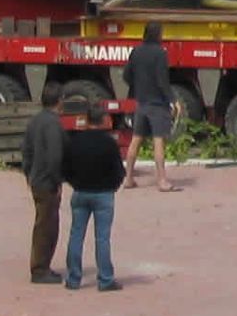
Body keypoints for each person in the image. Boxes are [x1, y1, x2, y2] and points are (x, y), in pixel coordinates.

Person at [62, 98, 127, 292]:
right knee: (102, 238)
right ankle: (105, 279)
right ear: (104, 120)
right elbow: (119, 171)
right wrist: (113, 186)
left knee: (76, 235)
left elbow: (65, 169)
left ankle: (73, 278)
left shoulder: (75, 141)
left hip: (80, 192)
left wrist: (76, 183)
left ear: (86, 119)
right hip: (103, 194)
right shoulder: (109, 144)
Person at [123, 21, 177, 191]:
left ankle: (128, 178)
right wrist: (172, 99)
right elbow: (162, 80)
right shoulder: (160, 53)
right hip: (157, 104)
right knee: (158, 141)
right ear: (158, 34)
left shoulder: (136, 51)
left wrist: (137, 86)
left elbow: (126, 75)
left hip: (141, 102)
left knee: (136, 139)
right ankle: (162, 180)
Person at [21, 80, 66, 284]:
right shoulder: (54, 124)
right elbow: (55, 156)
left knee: (42, 222)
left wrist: (28, 174)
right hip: (48, 182)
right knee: (47, 226)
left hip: (36, 179)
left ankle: (41, 266)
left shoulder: (35, 121)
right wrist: (57, 181)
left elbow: (26, 151)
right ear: (59, 101)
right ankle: (40, 269)